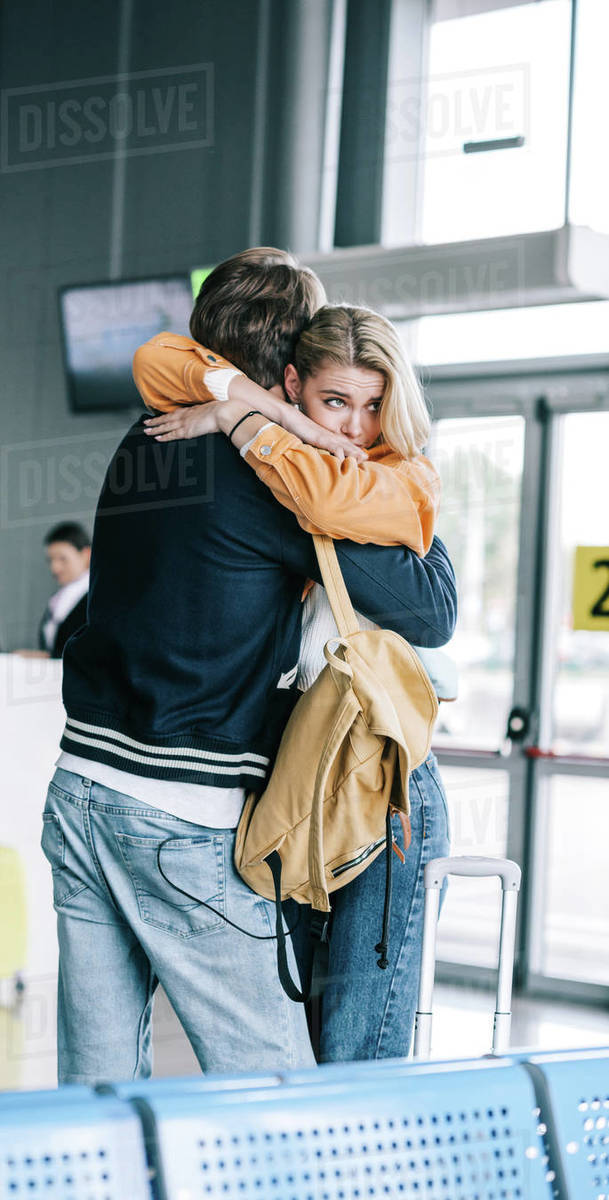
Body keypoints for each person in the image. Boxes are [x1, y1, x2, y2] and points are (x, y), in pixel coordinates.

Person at [41, 247, 457, 1084]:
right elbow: (427, 608)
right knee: (272, 1088)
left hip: (78, 789)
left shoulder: (145, 437)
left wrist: (239, 409)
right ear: (291, 361)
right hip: (176, 814)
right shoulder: (264, 472)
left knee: (96, 1084)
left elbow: (166, 360)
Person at [136, 300, 456, 1060]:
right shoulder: (290, 448)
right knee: (297, 1026)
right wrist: (251, 408)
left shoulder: (401, 475)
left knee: (359, 1039)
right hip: (302, 770)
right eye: (333, 402)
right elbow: (155, 360)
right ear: (291, 382)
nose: (351, 427)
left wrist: (243, 423)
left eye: (373, 406)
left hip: (386, 778)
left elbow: (321, 501)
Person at [38, 522, 91, 659]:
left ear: (86, 555)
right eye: (50, 560)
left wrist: (47, 658)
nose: (55, 568)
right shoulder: (57, 599)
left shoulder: (96, 598)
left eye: (63, 559)